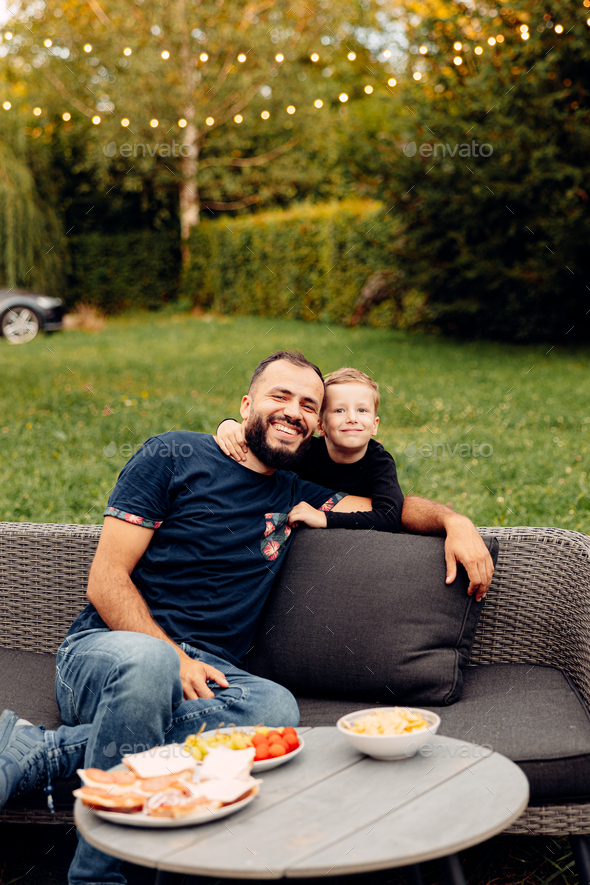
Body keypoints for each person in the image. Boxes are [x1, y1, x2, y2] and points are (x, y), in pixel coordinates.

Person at [0, 350, 493, 885]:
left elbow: (390, 508)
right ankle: (100, 878)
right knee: (148, 664)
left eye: (309, 404)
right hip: (110, 648)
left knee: (273, 709)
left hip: (214, 674)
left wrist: (455, 521)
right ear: (246, 404)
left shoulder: (295, 493)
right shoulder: (173, 453)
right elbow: (106, 581)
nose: (294, 411)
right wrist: (170, 656)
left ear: (314, 427)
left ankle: (44, 753)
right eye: (280, 396)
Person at [217, 366, 405, 535]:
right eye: (339, 410)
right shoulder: (306, 450)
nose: (352, 418)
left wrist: (323, 518)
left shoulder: (379, 462)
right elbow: (264, 451)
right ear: (320, 426)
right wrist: (228, 425)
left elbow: (390, 517)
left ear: (375, 425)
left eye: (362, 410)